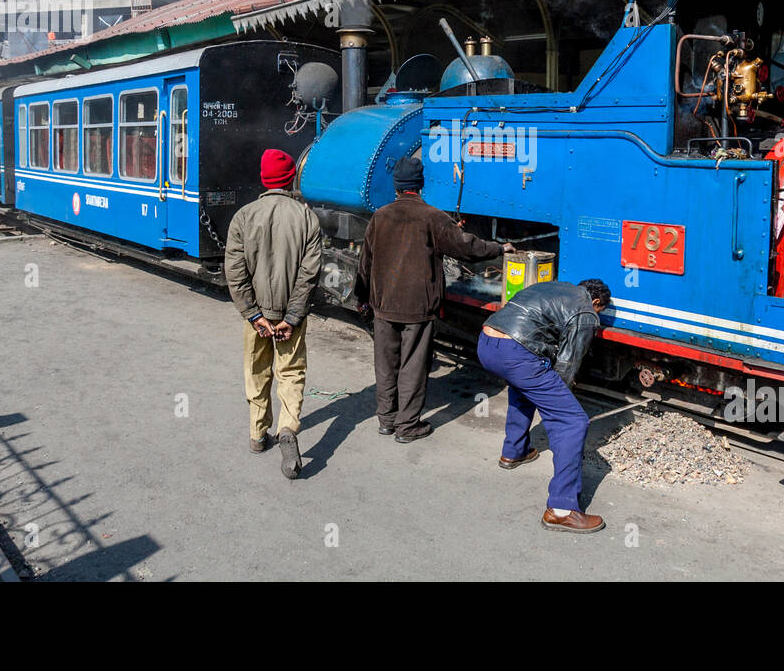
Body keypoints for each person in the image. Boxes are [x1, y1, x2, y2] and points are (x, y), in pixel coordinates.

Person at [354, 156, 509, 444]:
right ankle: (407, 426)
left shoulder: (380, 216)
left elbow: (365, 263)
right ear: (420, 185)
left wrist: (362, 297)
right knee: (413, 364)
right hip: (418, 307)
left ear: (397, 186)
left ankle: (386, 420)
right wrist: (499, 248)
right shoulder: (433, 217)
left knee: (386, 363)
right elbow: (467, 247)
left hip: (384, 304)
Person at [476, 278, 611, 533]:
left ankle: (514, 451)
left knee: (524, 387)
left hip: (486, 343)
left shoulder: (552, 286)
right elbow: (567, 366)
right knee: (572, 420)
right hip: (516, 353)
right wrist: (560, 401)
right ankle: (562, 510)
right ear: (596, 302)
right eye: (600, 311)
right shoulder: (585, 310)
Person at [224, 149, 322, 480]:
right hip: (290, 319)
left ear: (264, 179)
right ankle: (288, 427)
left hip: (257, 318)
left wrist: (253, 315)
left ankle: (257, 434)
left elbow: (234, 272)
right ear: (291, 177)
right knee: (291, 372)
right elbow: (310, 273)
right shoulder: (307, 218)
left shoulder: (243, 217)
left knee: (257, 371)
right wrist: (292, 317)